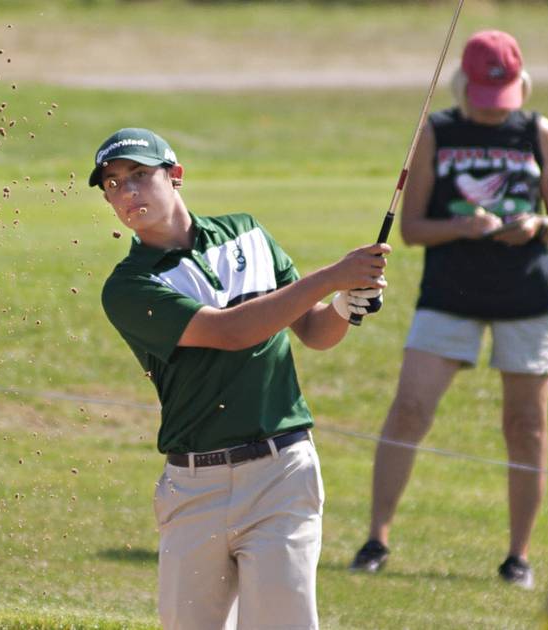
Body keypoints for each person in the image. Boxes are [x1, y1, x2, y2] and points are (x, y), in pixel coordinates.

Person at [92, 127, 388, 629]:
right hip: (195, 487)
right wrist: (333, 276)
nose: (127, 193)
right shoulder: (128, 286)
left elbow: (315, 330)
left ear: (176, 176)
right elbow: (230, 332)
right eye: (114, 184)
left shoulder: (247, 232)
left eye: (140, 176)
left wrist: (344, 304)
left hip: (281, 474)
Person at [349, 30, 548, 591]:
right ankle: (377, 538)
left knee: (525, 427)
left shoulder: (537, 130)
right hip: (449, 294)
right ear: (462, 86)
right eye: (483, 96)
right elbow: (413, 228)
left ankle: (518, 557)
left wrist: (536, 226)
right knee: (409, 411)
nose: (494, 109)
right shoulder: (438, 131)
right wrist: (462, 226)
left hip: (528, 295)